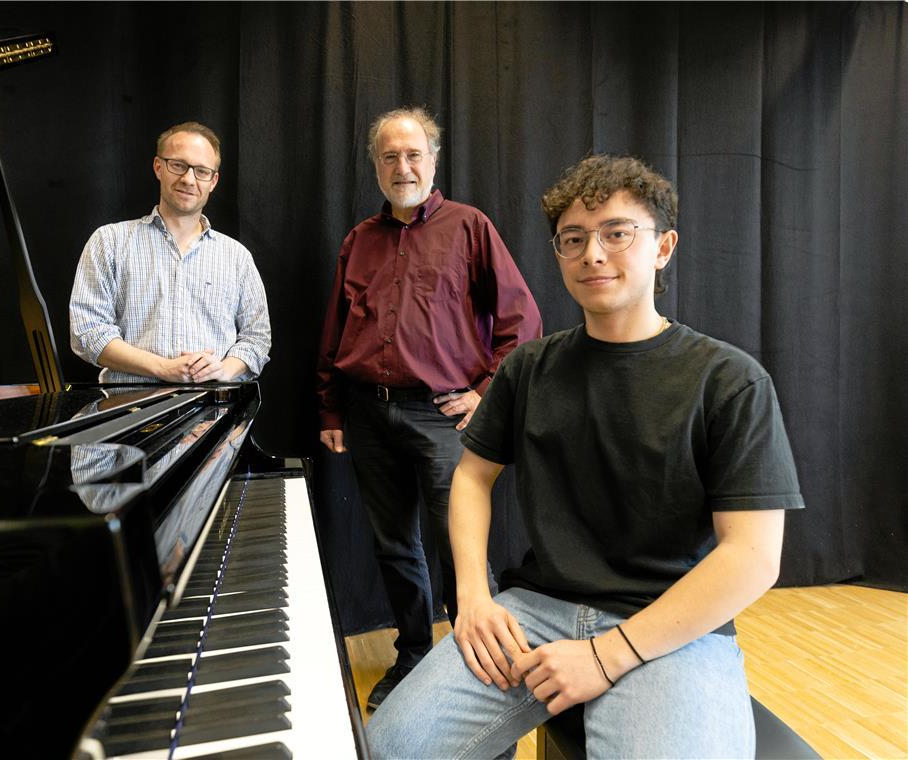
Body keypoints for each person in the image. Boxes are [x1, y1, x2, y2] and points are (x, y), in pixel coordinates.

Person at [366, 154, 805, 758]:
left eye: (616, 233)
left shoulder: (729, 381)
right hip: (536, 609)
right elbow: (471, 477)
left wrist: (607, 655)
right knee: (386, 748)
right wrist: (473, 597)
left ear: (663, 247)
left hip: (671, 623)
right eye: (574, 239)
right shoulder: (528, 367)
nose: (592, 254)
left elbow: (752, 557)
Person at [316, 106, 542, 711]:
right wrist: (330, 411)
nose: (403, 167)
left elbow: (522, 323)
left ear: (434, 160)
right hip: (367, 415)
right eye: (390, 156)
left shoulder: (470, 227)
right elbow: (335, 330)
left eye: (413, 154)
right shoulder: (358, 241)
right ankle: (413, 655)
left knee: (459, 546)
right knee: (393, 546)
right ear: (376, 165)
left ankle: (477, 674)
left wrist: (484, 392)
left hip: (443, 419)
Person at [70, 121, 271, 385]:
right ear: (158, 167)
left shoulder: (237, 257)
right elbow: (87, 332)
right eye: (178, 165)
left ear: (213, 181)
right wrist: (162, 368)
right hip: (130, 405)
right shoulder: (109, 242)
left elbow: (257, 339)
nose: (188, 179)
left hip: (216, 405)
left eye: (201, 171)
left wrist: (223, 370)